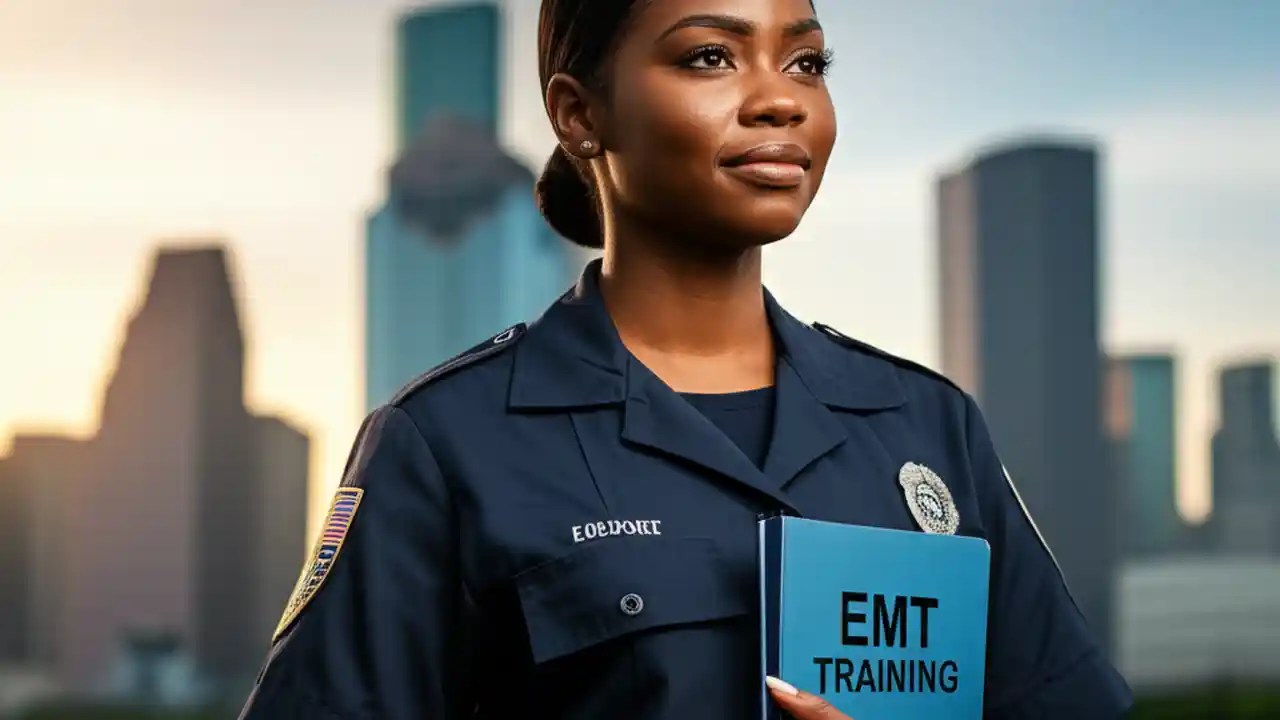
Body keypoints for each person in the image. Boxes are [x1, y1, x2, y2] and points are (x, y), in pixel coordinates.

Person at [239, 0, 1133, 717]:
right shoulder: (446, 442)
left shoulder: (928, 425)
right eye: (711, 56)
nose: (780, 98)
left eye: (807, 61)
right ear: (580, 113)